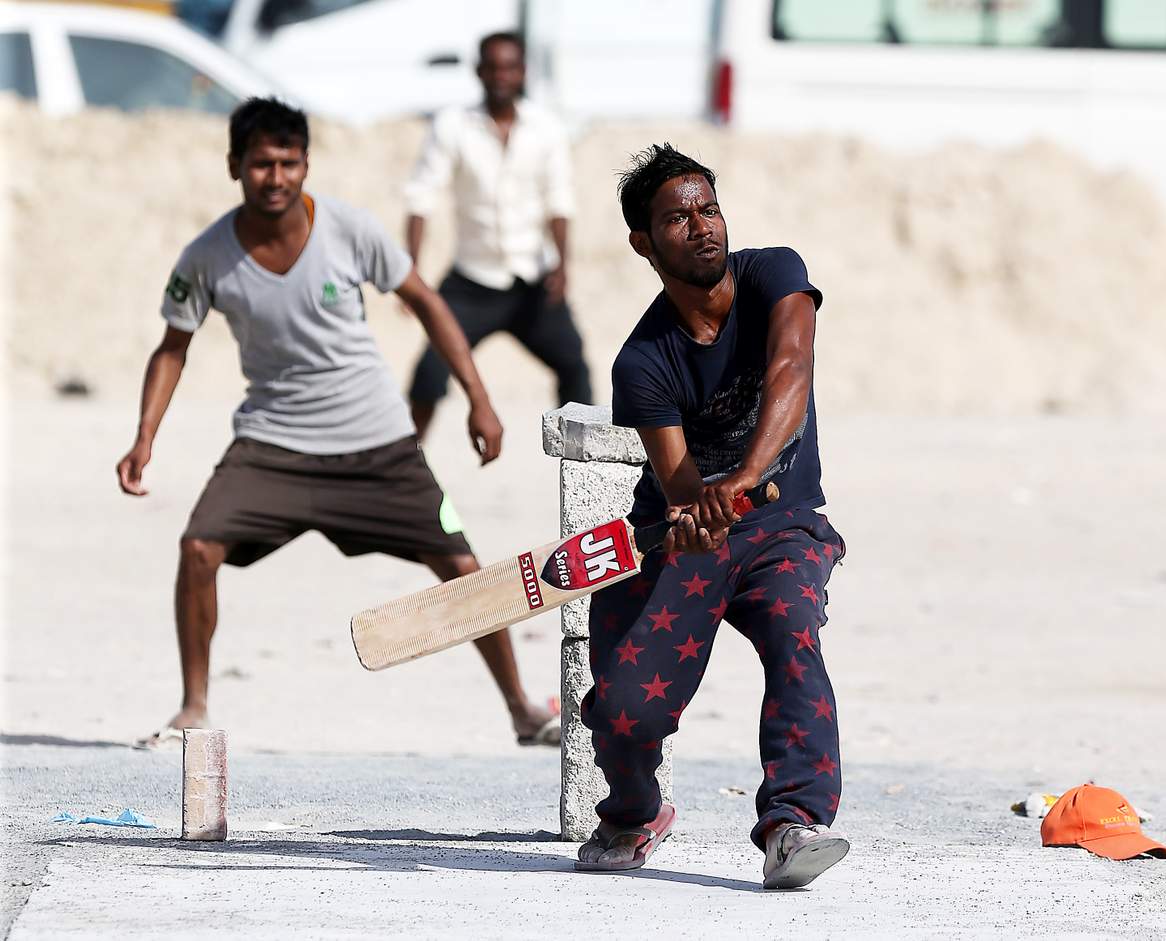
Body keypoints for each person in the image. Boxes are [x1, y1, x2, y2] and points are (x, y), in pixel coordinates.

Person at [116, 97, 559, 749]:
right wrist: (144, 438)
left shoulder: (352, 229)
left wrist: (479, 397)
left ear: (306, 164)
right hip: (273, 445)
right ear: (235, 165)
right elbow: (172, 348)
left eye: (289, 163)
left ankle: (522, 706)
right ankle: (194, 705)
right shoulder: (206, 256)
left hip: (378, 444)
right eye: (262, 164)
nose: (276, 177)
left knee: (465, 565)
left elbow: (428, 303)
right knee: (197, 548)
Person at [573, 145, 849, 889]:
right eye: (676, 218)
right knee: (623, 714)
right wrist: (698, 509)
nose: (701, 227)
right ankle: (634, 811)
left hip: (781, 523)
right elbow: (680, 481)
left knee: (794, 630)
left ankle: (793, 822)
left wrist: (751, 475)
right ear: (643, 242)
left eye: (708, 208)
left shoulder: (774, 275)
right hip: (679, 532)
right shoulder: (643, 360)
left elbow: (793, 367)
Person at [402, 30, 592, 440]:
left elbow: (559, 201)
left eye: (510, 67)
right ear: (479, 72)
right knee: (430, 373)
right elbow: (421, 197)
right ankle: (405, 462)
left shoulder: (546, 127)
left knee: (574, 366)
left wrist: (562, 263)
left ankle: (587, 470)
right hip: (472, 280)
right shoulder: (452, 125)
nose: (501, 76)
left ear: (522, 71)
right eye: (493, 68)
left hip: (533, 281)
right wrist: (411, 269)